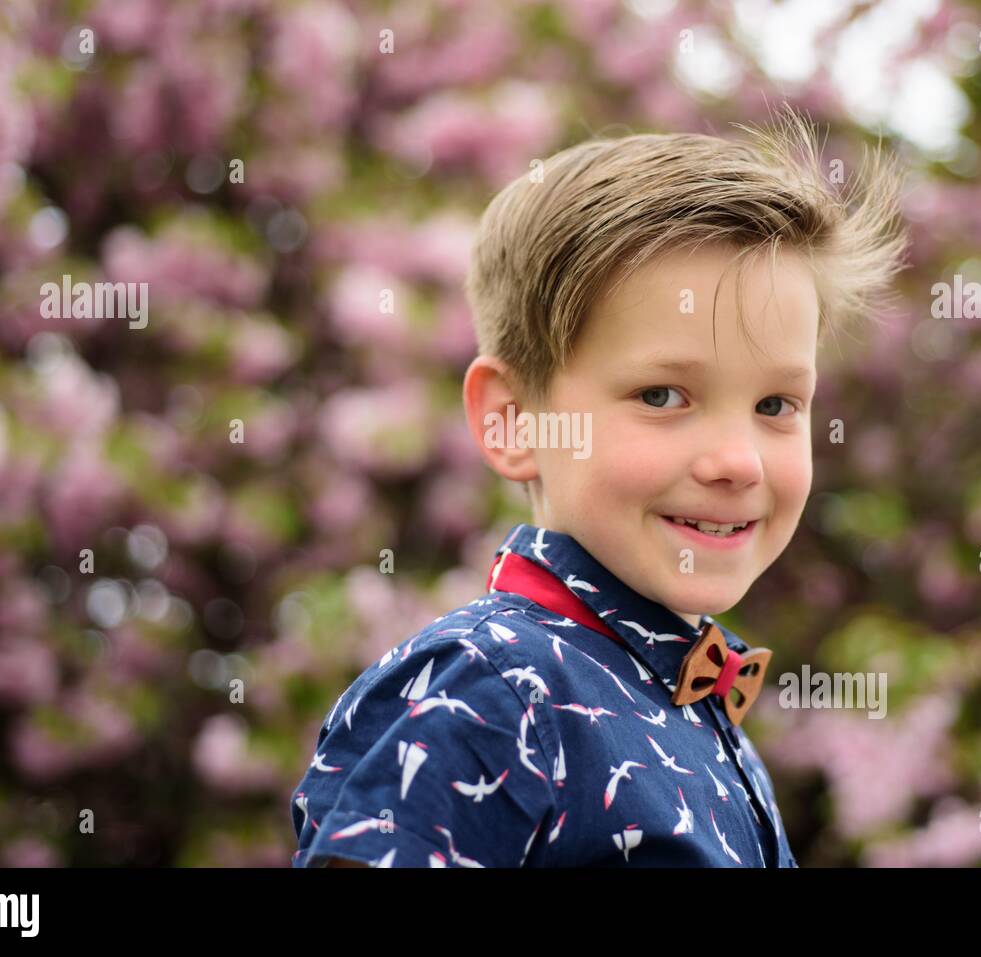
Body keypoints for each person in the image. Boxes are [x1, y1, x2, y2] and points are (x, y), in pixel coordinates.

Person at [291, 109, 906, 867]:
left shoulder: (709, 716)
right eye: (662, 396)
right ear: (514, 421)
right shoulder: (491, 688)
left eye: (775, 406)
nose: (737, 461)